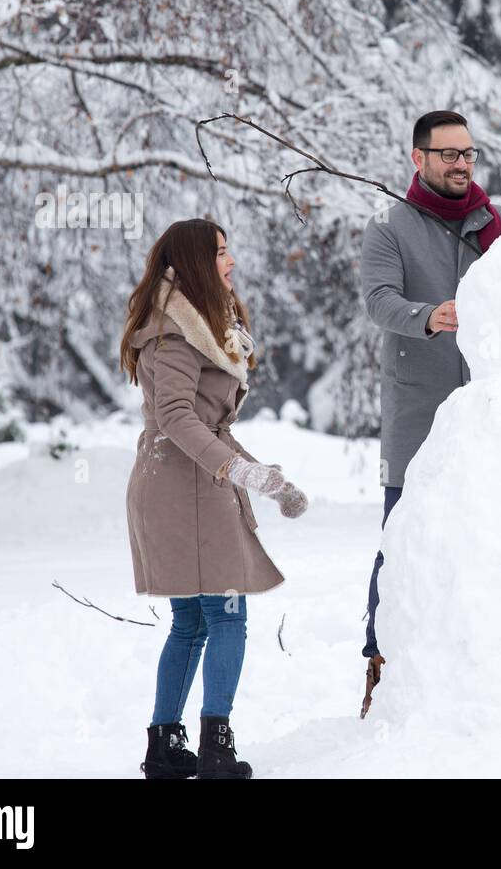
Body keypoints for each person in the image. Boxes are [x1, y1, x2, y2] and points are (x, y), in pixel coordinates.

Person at [121, 219, 309, 780]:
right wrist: (243, 473)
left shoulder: (196, 325)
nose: (231, 260)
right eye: (221, 252)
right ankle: (216, 746)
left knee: (192, 622)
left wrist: (266, 478)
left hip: (183, 482)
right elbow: (177, 417)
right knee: (226, 614)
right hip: (186, 489)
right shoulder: (175, 332)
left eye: (230, 249)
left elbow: (208, 423)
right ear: (196, 263)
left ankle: (165, 745)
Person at [357, 110, 501, 716]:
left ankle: (475, 665)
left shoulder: (495, 223)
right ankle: (379, 660)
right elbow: (378, 300)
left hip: (487, 407)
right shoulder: (390, 226)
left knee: (487, 532)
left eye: (469, 153)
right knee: (399, 536)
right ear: (418, 159)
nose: (461, 164)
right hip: (417, 408)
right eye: (448, 154)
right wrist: (429, 316)